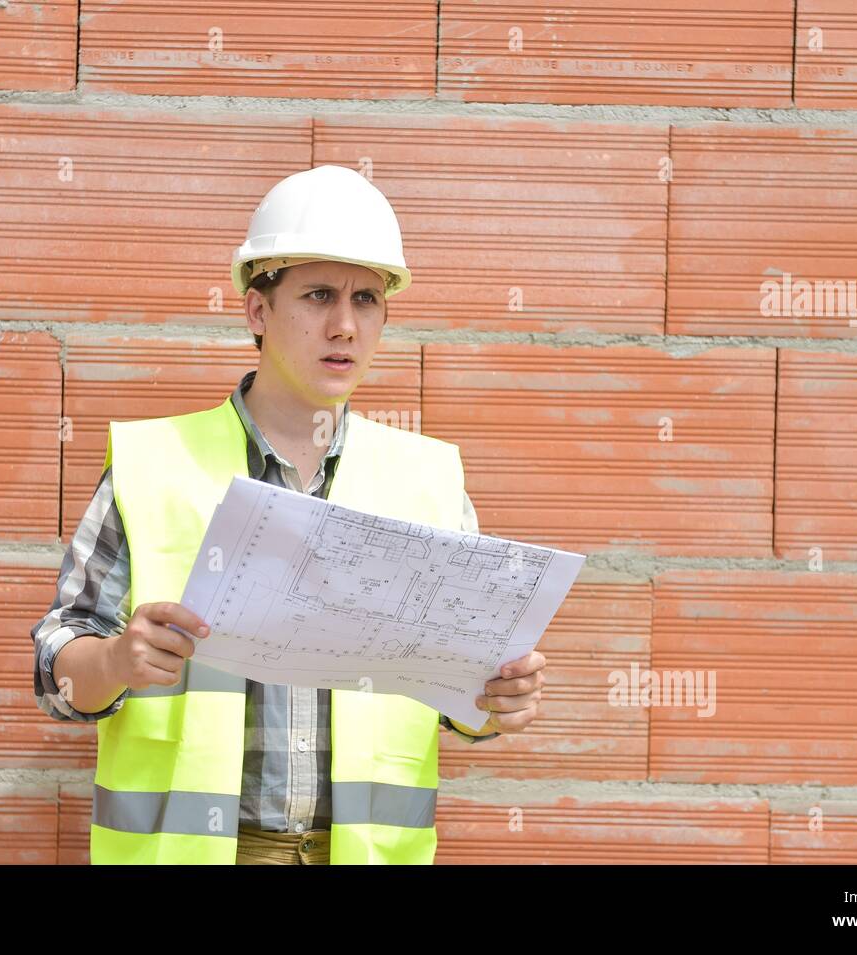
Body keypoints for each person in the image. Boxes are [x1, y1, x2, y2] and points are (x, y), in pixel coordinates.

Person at [31, 164, 548, 865]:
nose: (344, 324)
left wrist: (497, 699)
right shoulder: (153, 463)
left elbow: (464, 699)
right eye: (317, 295)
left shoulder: (428, 481)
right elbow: (58, 673)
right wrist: (119, 659)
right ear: (256, 310)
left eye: (366, 298)